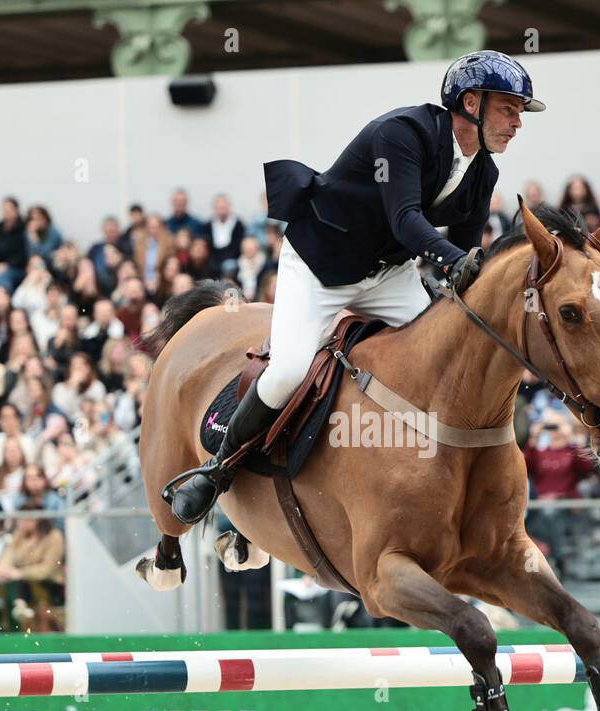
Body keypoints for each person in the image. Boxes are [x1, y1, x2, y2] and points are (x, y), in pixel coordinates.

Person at [170, 49, 541, 524]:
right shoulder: (402, 134)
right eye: (509, 109)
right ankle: (217, 471)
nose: (517, 123)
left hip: (388, 276)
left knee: (446, 347)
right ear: (471, 102)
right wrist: (455, 261)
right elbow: (406, 219)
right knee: (286, 371)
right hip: (320, 267)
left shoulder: (483, 170)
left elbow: (465, 252)